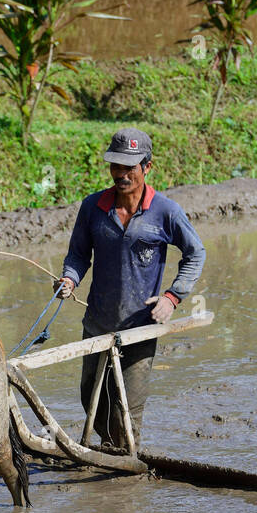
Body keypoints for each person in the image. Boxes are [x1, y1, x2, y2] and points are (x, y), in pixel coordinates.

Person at [54, 128, 205, 454]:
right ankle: (111, 450)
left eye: (130, 168)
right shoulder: (93, 207)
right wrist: (69, 279)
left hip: (139, 327)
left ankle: (125, 473)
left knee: (127, 407)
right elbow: (79, 255)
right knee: (89, 397)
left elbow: (195, 254)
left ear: (147, 167)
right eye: (116, 167)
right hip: (97, 323)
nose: (121, 175)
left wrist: (172, 296)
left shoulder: (166, 212)